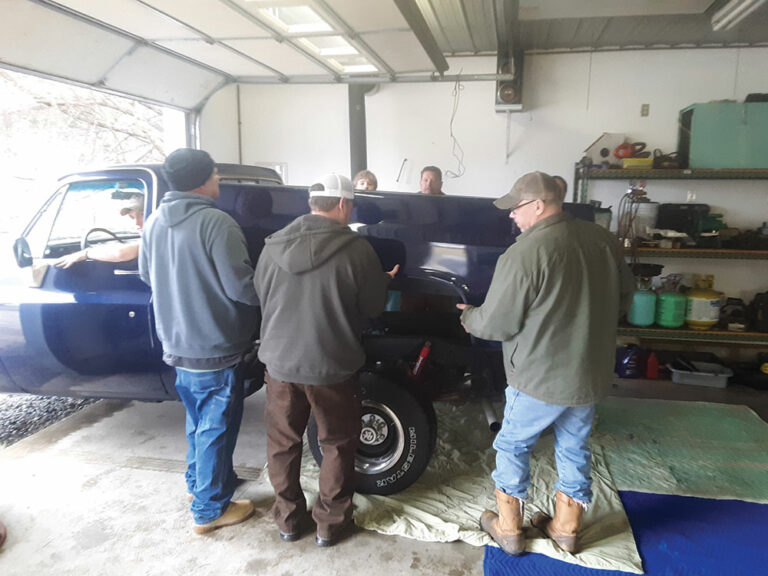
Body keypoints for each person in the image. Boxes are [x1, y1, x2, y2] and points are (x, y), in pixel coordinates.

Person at [456, 171, 634, 556]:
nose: (511, 217)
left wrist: (469, 315)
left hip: (540, 376)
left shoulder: (524, 253)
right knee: (574, 445)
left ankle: (509, 529)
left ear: (538, 205)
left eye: (515, 209)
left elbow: (498, 322)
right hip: (589, 373)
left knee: (512, 445)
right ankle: (566, 529)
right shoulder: (603, 240)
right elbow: (624, 300)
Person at [254, 173, 398, 547]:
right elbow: (372, 308)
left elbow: (261, 296)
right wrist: (382, 280)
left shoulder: (272, 247)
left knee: (283, 444)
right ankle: (330, 524)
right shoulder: (357, 250)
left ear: (312, 204)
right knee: (335, 443)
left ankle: (287, 520)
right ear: (343, 205)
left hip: (280, 365)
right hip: (332, 365)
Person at [139, 148, 259, 535]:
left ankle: (202, 487)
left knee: (198, 420)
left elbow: (146, 274)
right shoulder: (217, 223)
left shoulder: (154, 221)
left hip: (177, 340)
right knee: (216, 426)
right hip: (216, 343)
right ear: (204, 180)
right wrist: (277, 293)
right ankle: (209, 510)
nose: (219, 181)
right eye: (216, 176)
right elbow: (242, 287)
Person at [54, 194, 144, 268]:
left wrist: (85, 253)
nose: (136, 222)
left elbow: (121, 253)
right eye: (132, 217)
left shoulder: (154, 239)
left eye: (142, 215)